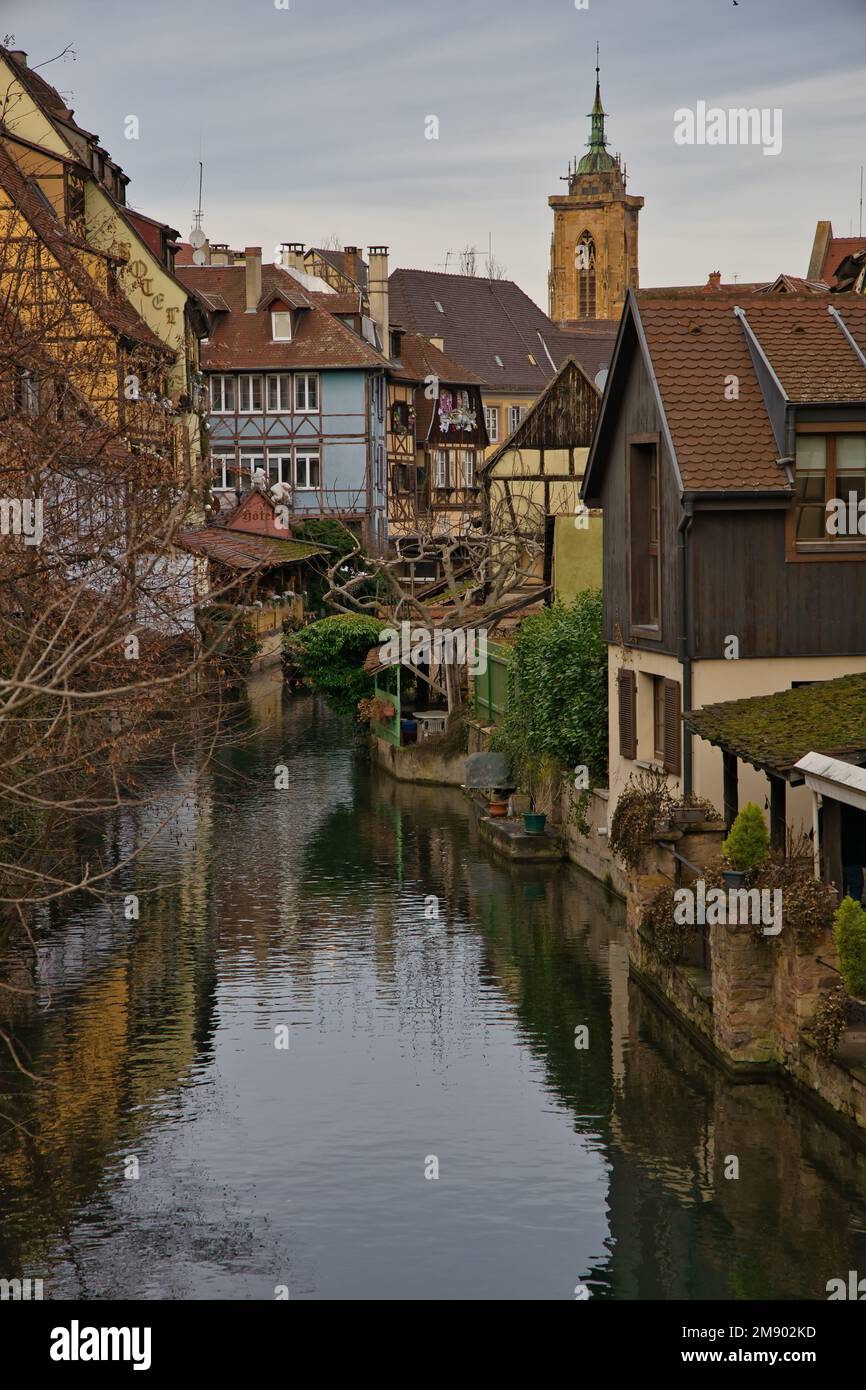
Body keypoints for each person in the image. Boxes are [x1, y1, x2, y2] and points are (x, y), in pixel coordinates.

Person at [840, 802, 864, 903]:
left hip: (833, 858)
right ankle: (853, 913)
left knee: (837, 889)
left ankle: (839, 912)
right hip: (853, 858)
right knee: (855, 887)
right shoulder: (858, 812)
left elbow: (813, 836)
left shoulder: (826, 811)